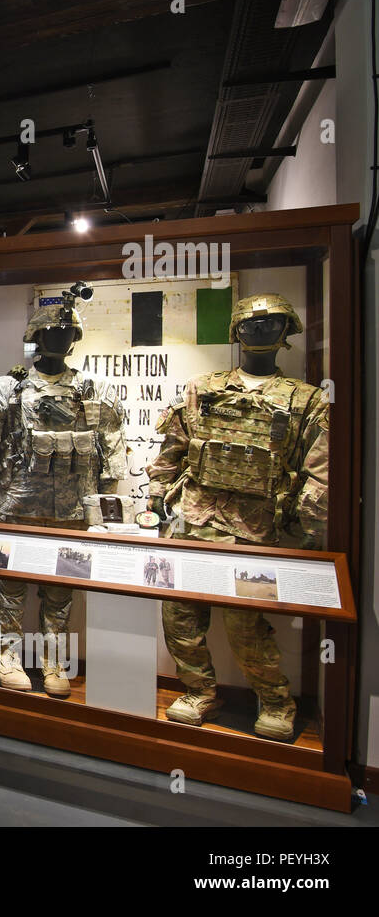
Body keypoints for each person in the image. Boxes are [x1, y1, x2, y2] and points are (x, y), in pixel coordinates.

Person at [146, 293, 326, 741]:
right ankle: (198, 691)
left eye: (272, 324)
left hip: (257, 530)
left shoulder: (307, 401)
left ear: (287, 333)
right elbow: (172, 447)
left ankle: (275, 700)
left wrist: (309, 531)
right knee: (180, 617)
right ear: (236, 332)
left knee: (246, 625)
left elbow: (319, 473)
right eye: (251, 324)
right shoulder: (201, 388)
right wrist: (154, 496)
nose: (260, 331)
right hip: (194, 521)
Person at [0, 296, 126, 698]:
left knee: (60, 594)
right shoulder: (6, 390)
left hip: (73, 513)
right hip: (17, 510)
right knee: (9, 590)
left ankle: (54, 662)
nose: (60, 336)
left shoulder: (96, 391)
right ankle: (7, 658)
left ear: (76, 338)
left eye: (67, 331)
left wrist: (108, 514)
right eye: (51, 330)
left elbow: (113, 454)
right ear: (35, 336)